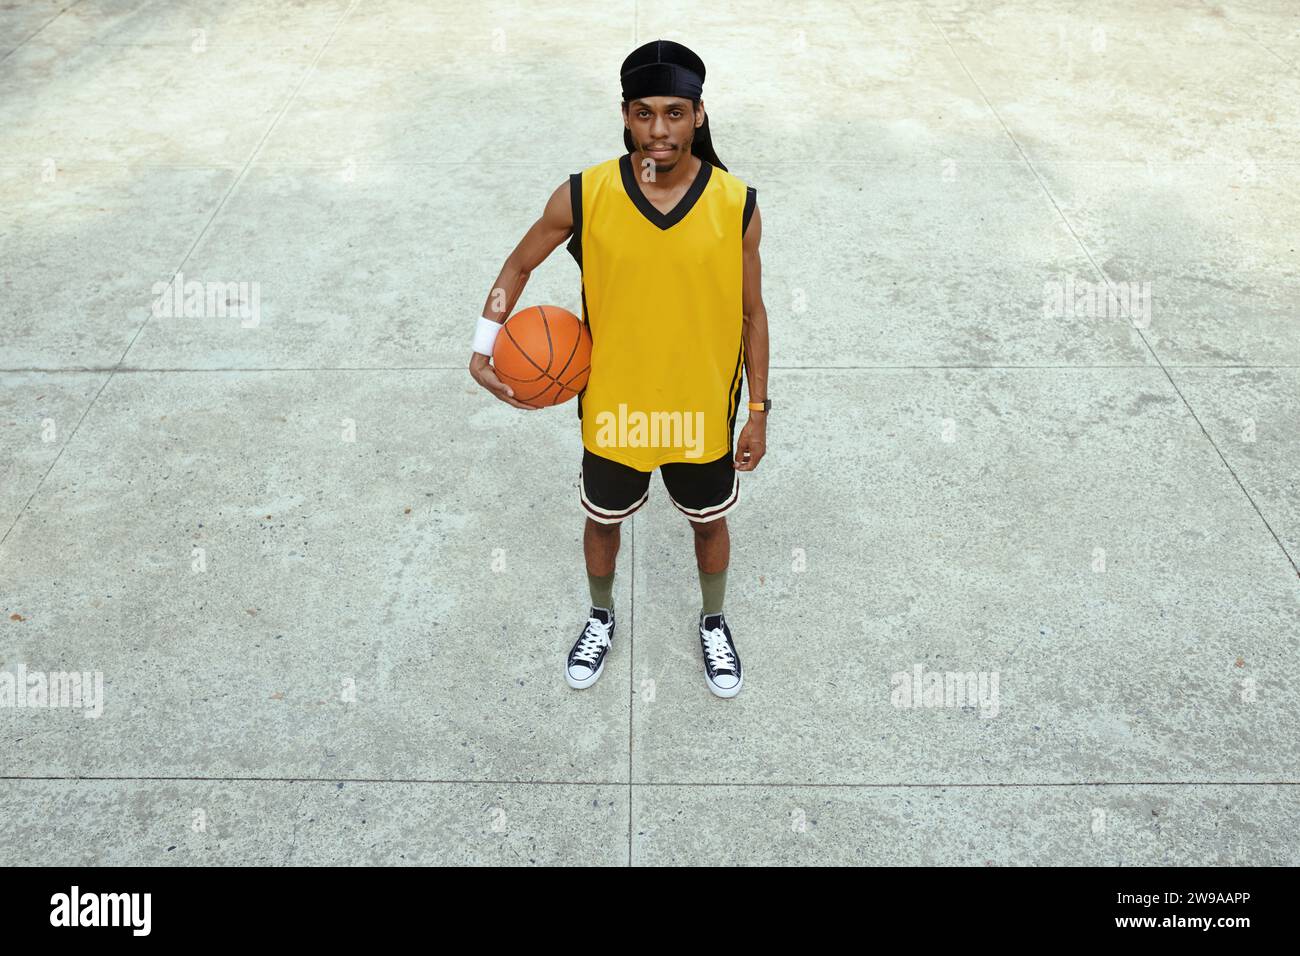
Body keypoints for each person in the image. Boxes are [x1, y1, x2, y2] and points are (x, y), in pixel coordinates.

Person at [469, 39, 769, 699]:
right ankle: (601, 616)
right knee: (601, 520)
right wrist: (481, 345)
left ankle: (713, 620)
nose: (658, 129)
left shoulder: (736, 203)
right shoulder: (586, 194)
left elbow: (753, 314)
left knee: (709, 520)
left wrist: (758, 411)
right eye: (642, 113)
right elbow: (518, 266)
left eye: (673, 112)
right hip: (615, 408)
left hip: (700, 410)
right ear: (625, 116)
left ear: (697, 115)